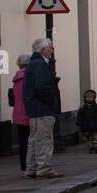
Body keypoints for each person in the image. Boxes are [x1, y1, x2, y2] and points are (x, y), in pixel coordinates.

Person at [22, 38, 63, 179]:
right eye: (50, 48)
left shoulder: (33, 64)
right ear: (43, 50)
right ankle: (44, 168)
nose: (52, 50)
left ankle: (32, 168)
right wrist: (51, 101)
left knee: (34, 140)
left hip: (35, 109)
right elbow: (42, 87)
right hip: (42, 109)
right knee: (44, 140)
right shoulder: (40, 65)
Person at [9, 53, 32, 176]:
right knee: (31, 142)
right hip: (28, 113)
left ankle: (24, 167)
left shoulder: (17, 78)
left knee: (23, 142)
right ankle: (29, 166)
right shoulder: (27, 77)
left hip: (18, 114)